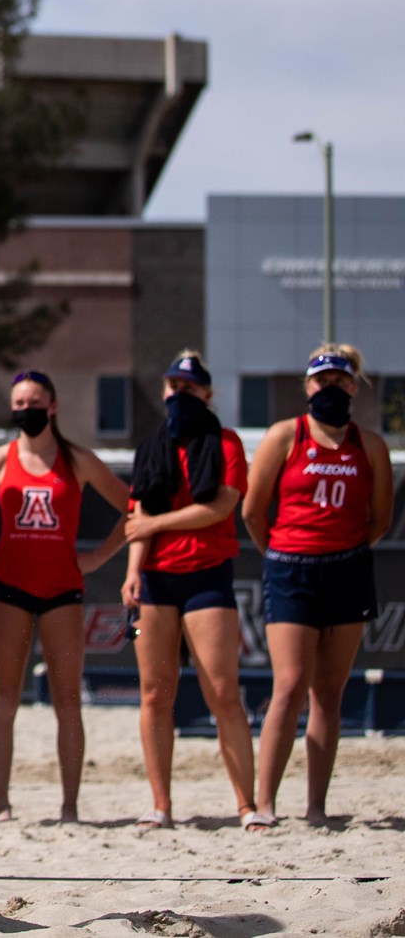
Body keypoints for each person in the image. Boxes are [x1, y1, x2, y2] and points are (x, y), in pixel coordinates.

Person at [0, 370, 130, 823]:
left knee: (67, 698)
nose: (26, 409)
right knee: (5, 696)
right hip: (9, 590)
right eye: (18, 402)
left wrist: (97, 558)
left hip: (63, 591)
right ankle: (1, 804)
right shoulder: (0, 460)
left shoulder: (77, 460)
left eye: (34, 401)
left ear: (52, 406)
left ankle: (70, 806)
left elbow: (131, 509)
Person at [243, 345, 394, 826]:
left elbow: (382, 519)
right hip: (291, 567)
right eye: (321, 380)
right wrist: (283, 552)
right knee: (288, 684)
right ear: (307, 386)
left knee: (330, 691)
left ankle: (316, 808)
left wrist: (341, 549)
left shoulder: (368, 444)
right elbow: (252, 510)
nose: (330, 387)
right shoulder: (286, 435)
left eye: (339, 380)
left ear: (353, 386)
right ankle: (264, 805)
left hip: (347, 568)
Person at [122, 350, 262, 829]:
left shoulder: (224, 442)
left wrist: (155, 523)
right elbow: (136, 522)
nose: (179, 395)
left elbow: (220, 509)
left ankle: (248, 805)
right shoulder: (151, 446)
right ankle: (160, 805)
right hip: (157, 578)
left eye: (188, 387)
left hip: (206, 575)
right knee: (155, 694)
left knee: (222, 691)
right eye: (172, 387)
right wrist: (132, 572)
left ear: (206, 393)